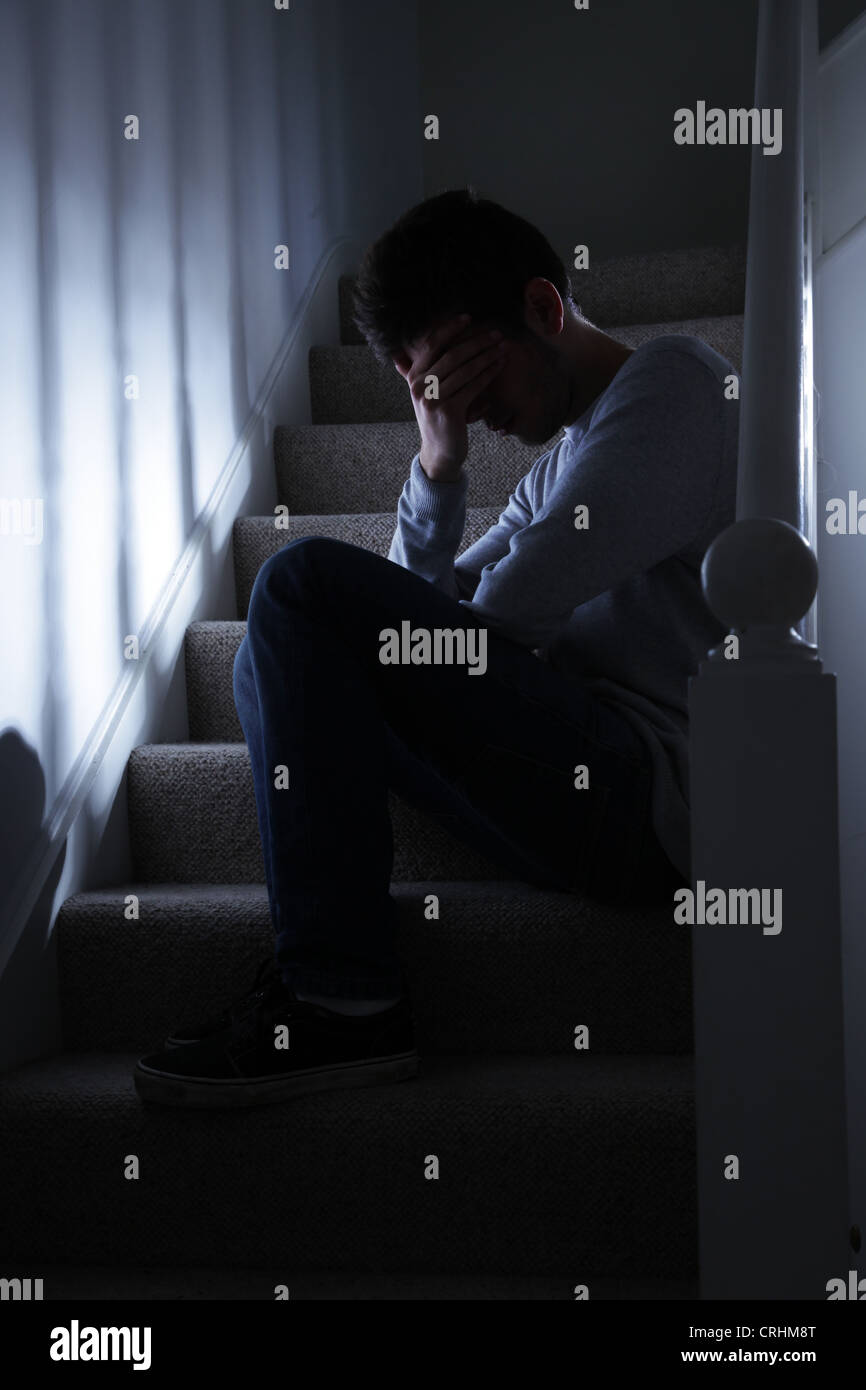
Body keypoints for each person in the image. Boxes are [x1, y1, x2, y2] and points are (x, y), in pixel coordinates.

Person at [134, 188, 737, 1109]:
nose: (469, 409)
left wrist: (433, 632)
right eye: (433, 392)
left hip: (644, 798)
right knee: (272, 645)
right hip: (560, 777)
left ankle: (343, 997)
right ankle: (336, 981)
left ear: (543, 308)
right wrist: (438, 466)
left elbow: (496, 619)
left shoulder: (676, 386)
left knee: (300, 585)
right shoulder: (553, 471)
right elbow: (429, 619)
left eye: (470, 381)